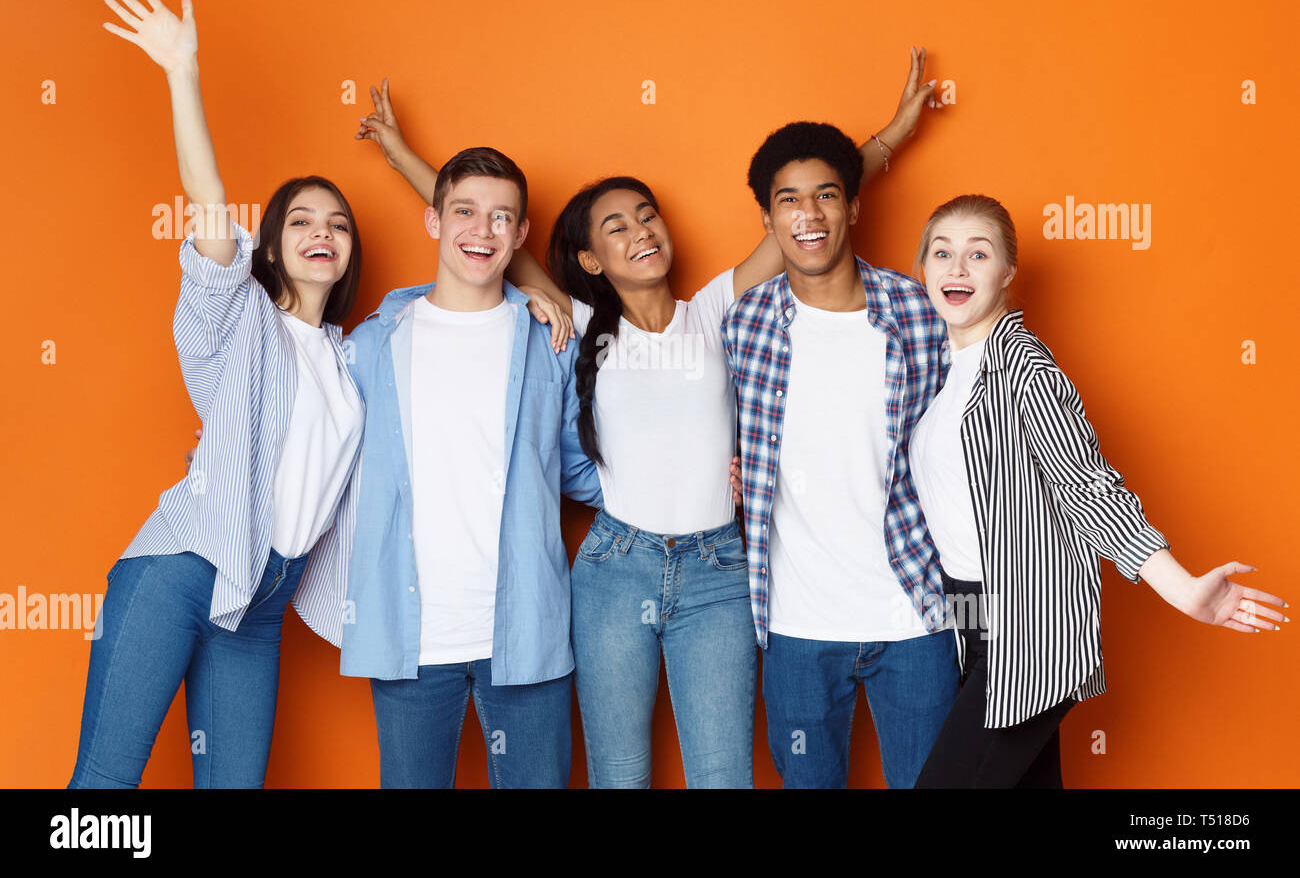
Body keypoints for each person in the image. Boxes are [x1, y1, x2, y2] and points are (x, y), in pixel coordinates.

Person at [355, 51, 942, 787]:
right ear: (592, 261)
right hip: (612, 568)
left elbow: (807, 208)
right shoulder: (577, 325)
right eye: (614, 227)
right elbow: (485, 229)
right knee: (620, 774)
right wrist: (403, 155)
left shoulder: (717, 311)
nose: (639, 231)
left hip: (720, 572)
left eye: (646, 215)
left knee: (724, 774)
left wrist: (889, 137)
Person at [70, 0, 365, 788]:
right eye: (301, 221)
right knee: (105, 783)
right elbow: (207, 200)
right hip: (179, 568)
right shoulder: (237, 320)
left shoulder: (351, 358)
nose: (322, 234)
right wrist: (180, 70)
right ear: (268, 247)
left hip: (261, 603)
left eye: (338, 225)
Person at [904, 194, 1288, 788]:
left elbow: (1088, 486)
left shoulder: (1023, 370)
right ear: (922, 270)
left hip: (1026, 624)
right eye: (942, 253)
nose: (956, 267)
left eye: (977, 254)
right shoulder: (949, 373)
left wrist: (1183, 588)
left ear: (1006, 273)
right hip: (970, 614)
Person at [339, 144, 603, 788]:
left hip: (528, 633)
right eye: (464, 211)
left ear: (521, 234)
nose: (481, 232)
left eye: (500, 217)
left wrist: (698, 480)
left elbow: (578, 471)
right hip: (409, 639)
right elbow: (324, 449)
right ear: (434, 220)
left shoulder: (553, 338)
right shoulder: (375, 341)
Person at [722, 120, 957, 789]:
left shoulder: (917, 310)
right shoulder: (746, 321)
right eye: (789, 200)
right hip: (796, 625)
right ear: (768, 218)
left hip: (912, 613)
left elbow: (967, 431)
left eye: (825, 195)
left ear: (852, 207)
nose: (809, 214)